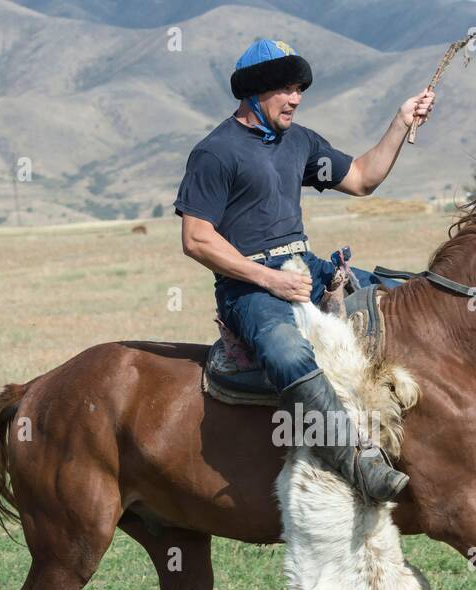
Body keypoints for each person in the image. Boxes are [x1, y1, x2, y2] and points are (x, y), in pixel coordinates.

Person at [175, 37, 435, 504]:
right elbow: (196, 237)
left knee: (400, 296)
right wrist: (268, 279)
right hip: (248, 287)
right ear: (254, 92)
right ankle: (356, 459)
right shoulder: (215, 152)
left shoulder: (299, 141)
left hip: (308, 267)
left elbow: (361, 178)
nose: (295, 98)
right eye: (285, 89)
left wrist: (400, 122)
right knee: (287, 352)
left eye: (299, 89)